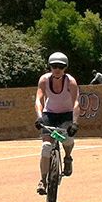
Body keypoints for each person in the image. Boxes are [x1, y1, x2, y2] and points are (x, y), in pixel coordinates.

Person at [34, 52, 79, 194]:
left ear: (65, 68)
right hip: (49, 114)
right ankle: (43, 180)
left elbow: (76, 102)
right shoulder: (44, 80)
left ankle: (67, 157)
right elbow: (38, 100)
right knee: (46, 146)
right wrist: (40, 117)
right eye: (54, 66)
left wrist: (75, 122)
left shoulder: (70, 81)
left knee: (68, 139)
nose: (57, 69)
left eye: (60, 66)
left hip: (66, 115)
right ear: (50, 67)